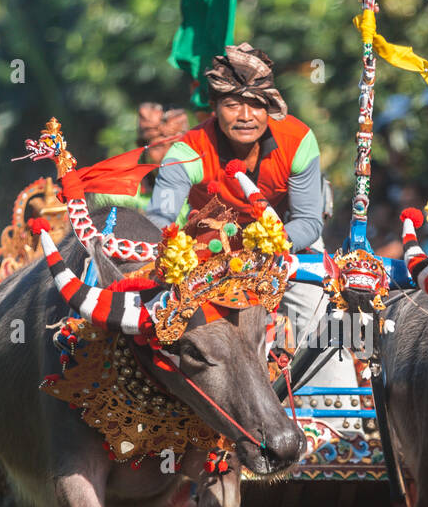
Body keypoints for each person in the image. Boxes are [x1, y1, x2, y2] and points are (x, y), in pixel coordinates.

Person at [147, 42, 357, 408]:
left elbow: (309, 221)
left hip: (285, 246)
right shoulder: (186, 151)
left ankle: (340, 419)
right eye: (232, 104)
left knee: (322, 305)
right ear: (213, 108)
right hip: (207, 257)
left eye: (257, 103)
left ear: (270, 106)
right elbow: (160, 220)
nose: (246, 115)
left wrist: (266, 248)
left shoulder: (298, 139)